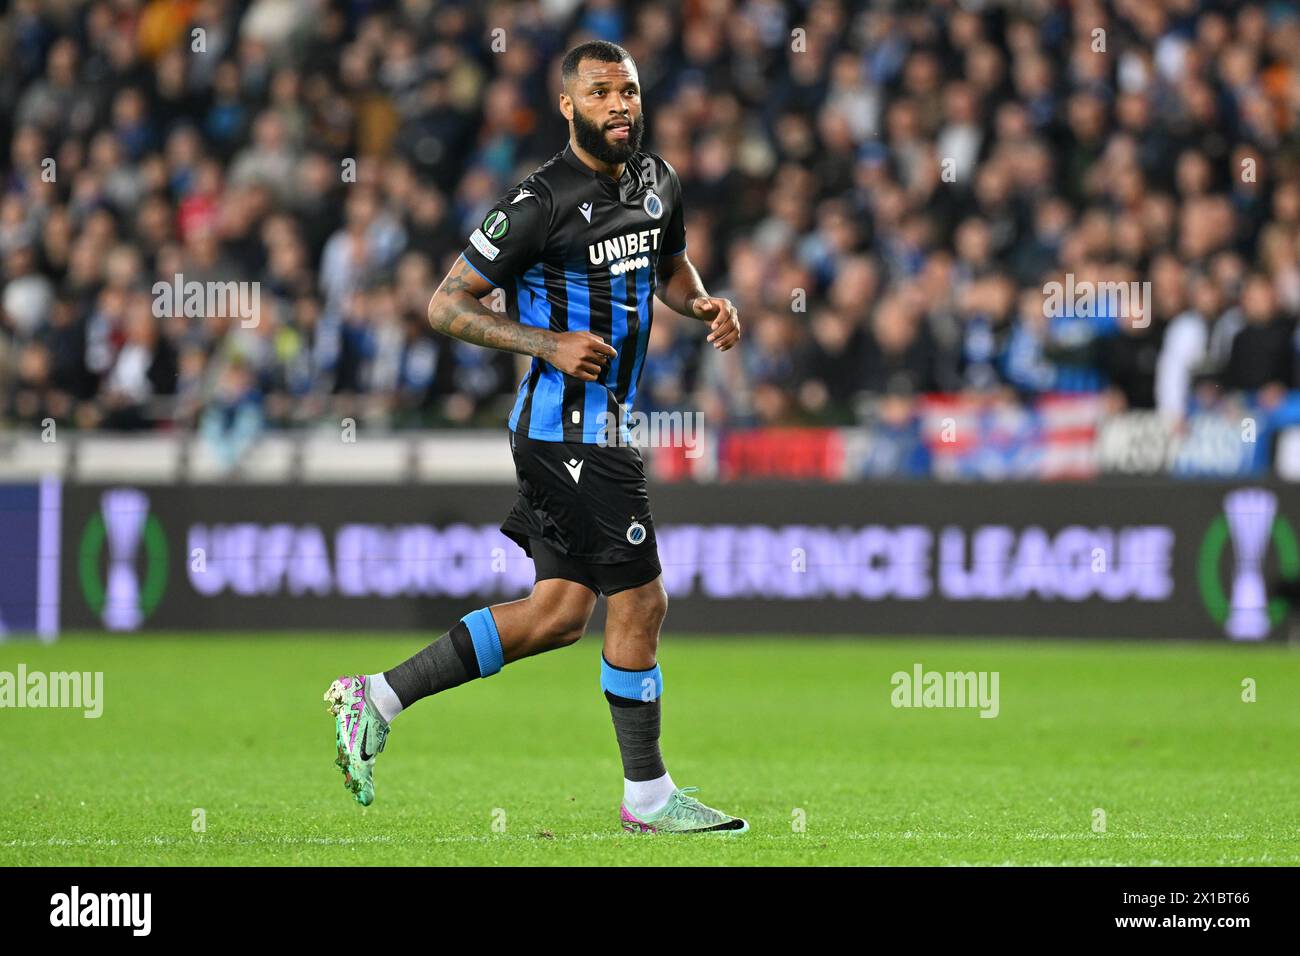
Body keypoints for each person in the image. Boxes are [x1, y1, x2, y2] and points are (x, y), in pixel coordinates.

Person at [324, 41, 747, 835]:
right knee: (644, 600)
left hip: (601, 426)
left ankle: (374, 697)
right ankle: (649, 799)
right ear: (568, 106)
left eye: (628, 91)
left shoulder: (659, 183)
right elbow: (446, 305)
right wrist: (544, 343)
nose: (619, 105)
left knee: (557, 613)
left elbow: (671, 265)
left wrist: (704, 305)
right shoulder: (537, 202)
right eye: (600, 93)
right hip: (566, 431)